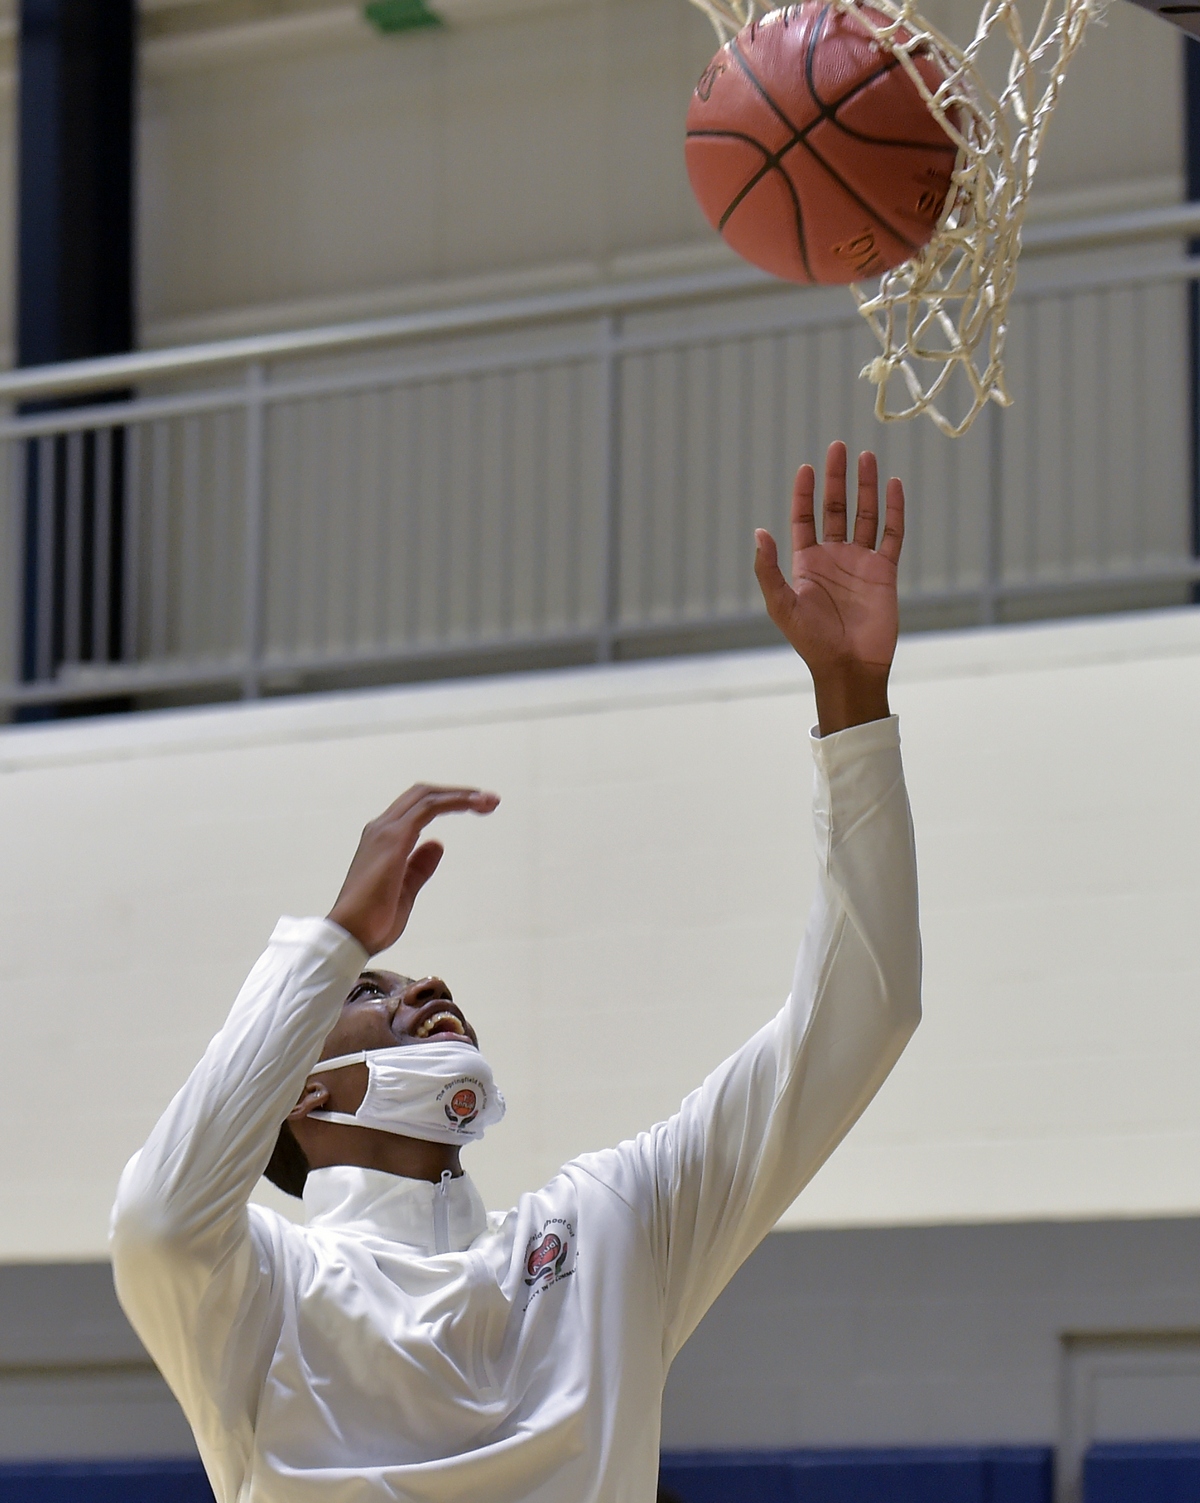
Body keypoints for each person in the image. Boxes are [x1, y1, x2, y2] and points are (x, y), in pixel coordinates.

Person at [111, 441, 922, 1503]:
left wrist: (853, 707)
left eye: (397, 977)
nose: (421, 987)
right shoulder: (258, 1285)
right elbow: (159, 1216)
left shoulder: (608, 1224)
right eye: (369, 992)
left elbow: (864, 1013)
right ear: (296, 1094)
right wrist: (337, 938)